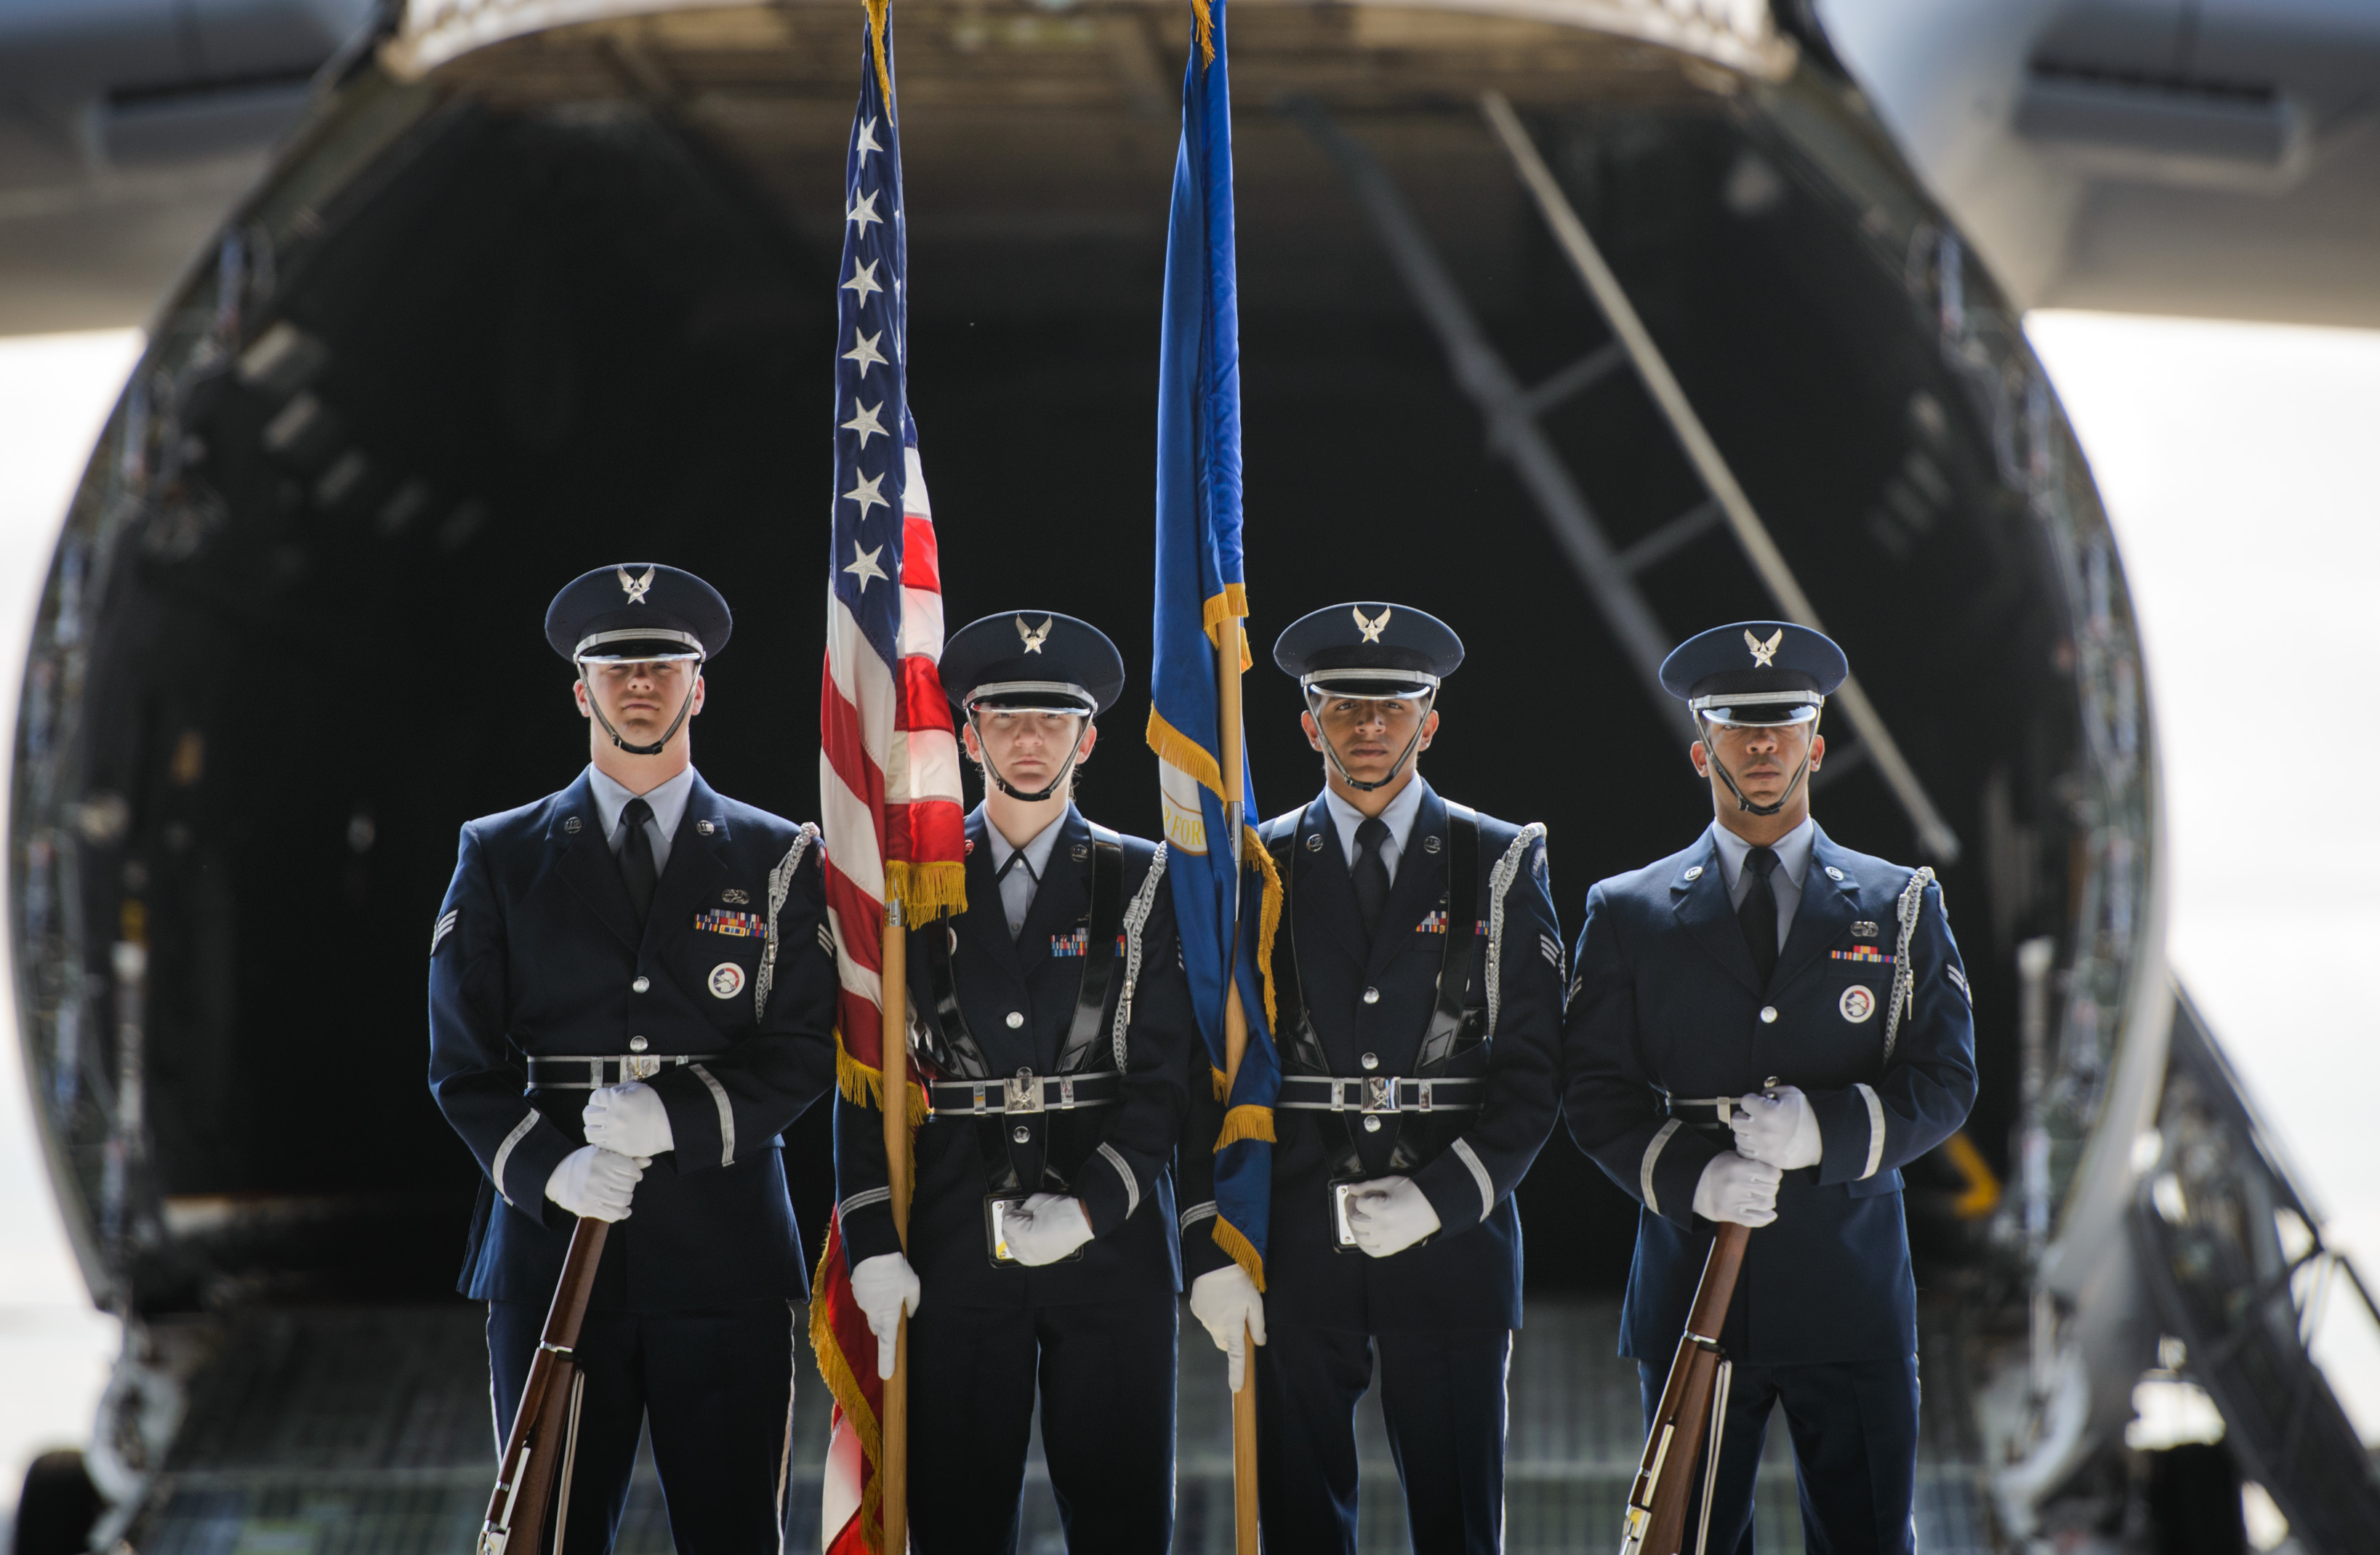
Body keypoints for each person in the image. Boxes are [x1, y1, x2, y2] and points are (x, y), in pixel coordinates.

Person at [427, 563, 838, 1555]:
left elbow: (804, 1048)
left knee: (735, 1535)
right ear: (580, 690)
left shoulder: (778, 856)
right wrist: (548, 1169)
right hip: (553, 1249)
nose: (639, 684)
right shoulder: (502, 852)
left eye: (662, 665)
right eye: (615, 668)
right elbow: (461, 1064)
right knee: (550, 1536)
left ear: (699, 686)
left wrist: (679, 1119)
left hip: (724, 1249)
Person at [1563, 622, 1978, 1555]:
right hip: (1694, 1287)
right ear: (1698, 746)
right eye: (1735, 727)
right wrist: (1690, 1179)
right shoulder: (1625, 913)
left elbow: (1946, 1080)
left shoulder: (1899, 903)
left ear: (1815, 744)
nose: (1760, 746)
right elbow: (1593, 1091)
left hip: (1850, 1289)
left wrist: (1821, 1134)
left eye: (1782, 726)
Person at [1181, 602, 1564, 1555]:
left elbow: (1533, 1074)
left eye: (1389, 707)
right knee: (1300, 1524)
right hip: (1294, 1234)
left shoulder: (1501, 862)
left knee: (1459, 1527)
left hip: (1453, 1236)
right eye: (1342, 706)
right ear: (1307, 722)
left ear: (1427, 722)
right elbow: (1205, 1071)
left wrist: (1441, 1200)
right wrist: (1208, 1246)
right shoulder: (1249, 865)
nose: (1366, 726)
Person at [833, 611, 1200, 1553]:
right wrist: (871, 1235)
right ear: (966, 732)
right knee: (954, 1519)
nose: (1028, 741)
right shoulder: (905, 882)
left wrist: (1087, 1210)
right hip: (951, 1239)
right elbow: (867, 1075)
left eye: (1052, 721)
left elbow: (1164, 1083)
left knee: (1122, 1522)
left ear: (1088, 737)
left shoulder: (1146, 880)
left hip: (1110, 1243)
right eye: (1004, 719)